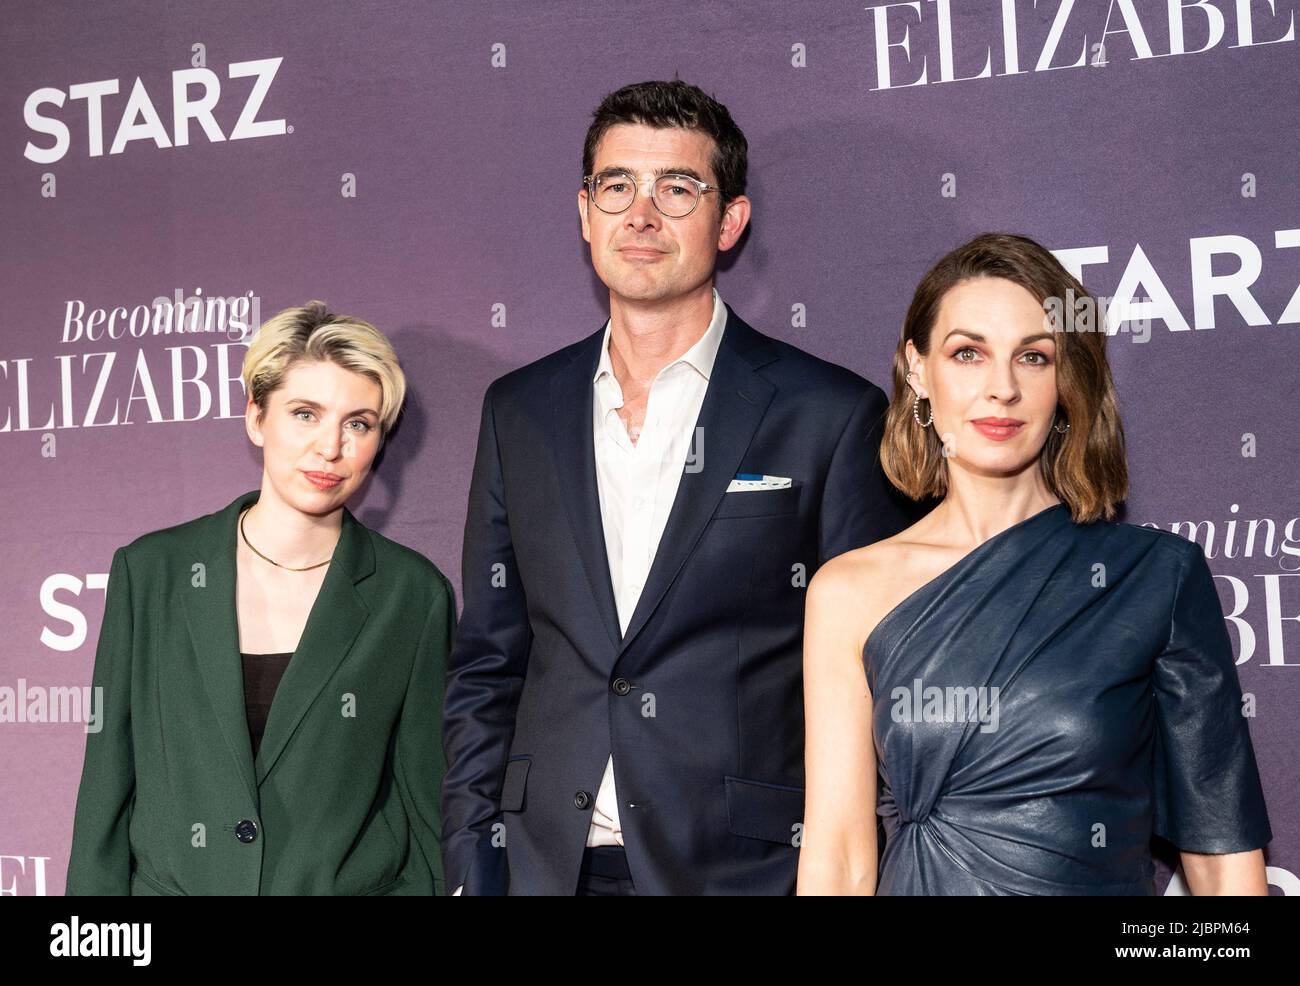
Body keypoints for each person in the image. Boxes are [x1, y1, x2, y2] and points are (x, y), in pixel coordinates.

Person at [440, 79, 914, 896]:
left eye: (678, 189)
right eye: (617, 186)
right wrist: (473, 860)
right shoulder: (519, 410)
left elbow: (877, 678)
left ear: (729, 221)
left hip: (745, 870)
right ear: (585, 212)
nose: (642, 215)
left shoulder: (829, 414)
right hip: (543, 866)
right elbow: (489, 660)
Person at [798, 233, 1272, 895]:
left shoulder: (1155, 578)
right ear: (918, 370)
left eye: (1033, 357)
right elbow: (840, 860)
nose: (1002, 388)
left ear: (1067, 379)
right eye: (968, 353)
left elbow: (1223, 869)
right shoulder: (849, 590)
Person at [66, 301, 455, 895]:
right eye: (305, 414)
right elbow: (108, 784)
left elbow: (427, 797)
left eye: (359, 423)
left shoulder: (412, 595)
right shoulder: (153, 573)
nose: (331, 448)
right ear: (255, 418)